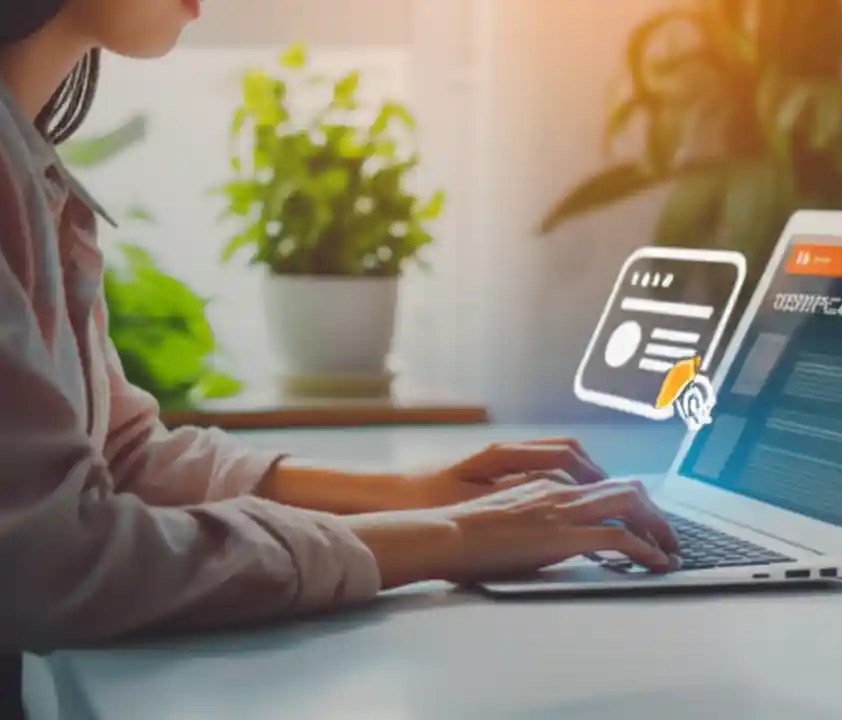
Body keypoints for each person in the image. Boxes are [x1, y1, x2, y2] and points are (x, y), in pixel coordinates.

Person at [0, 0, 680, 680]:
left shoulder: (24, 159)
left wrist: (423, 493)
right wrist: (455, 537)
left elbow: (120, 456)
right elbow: (50, 560)